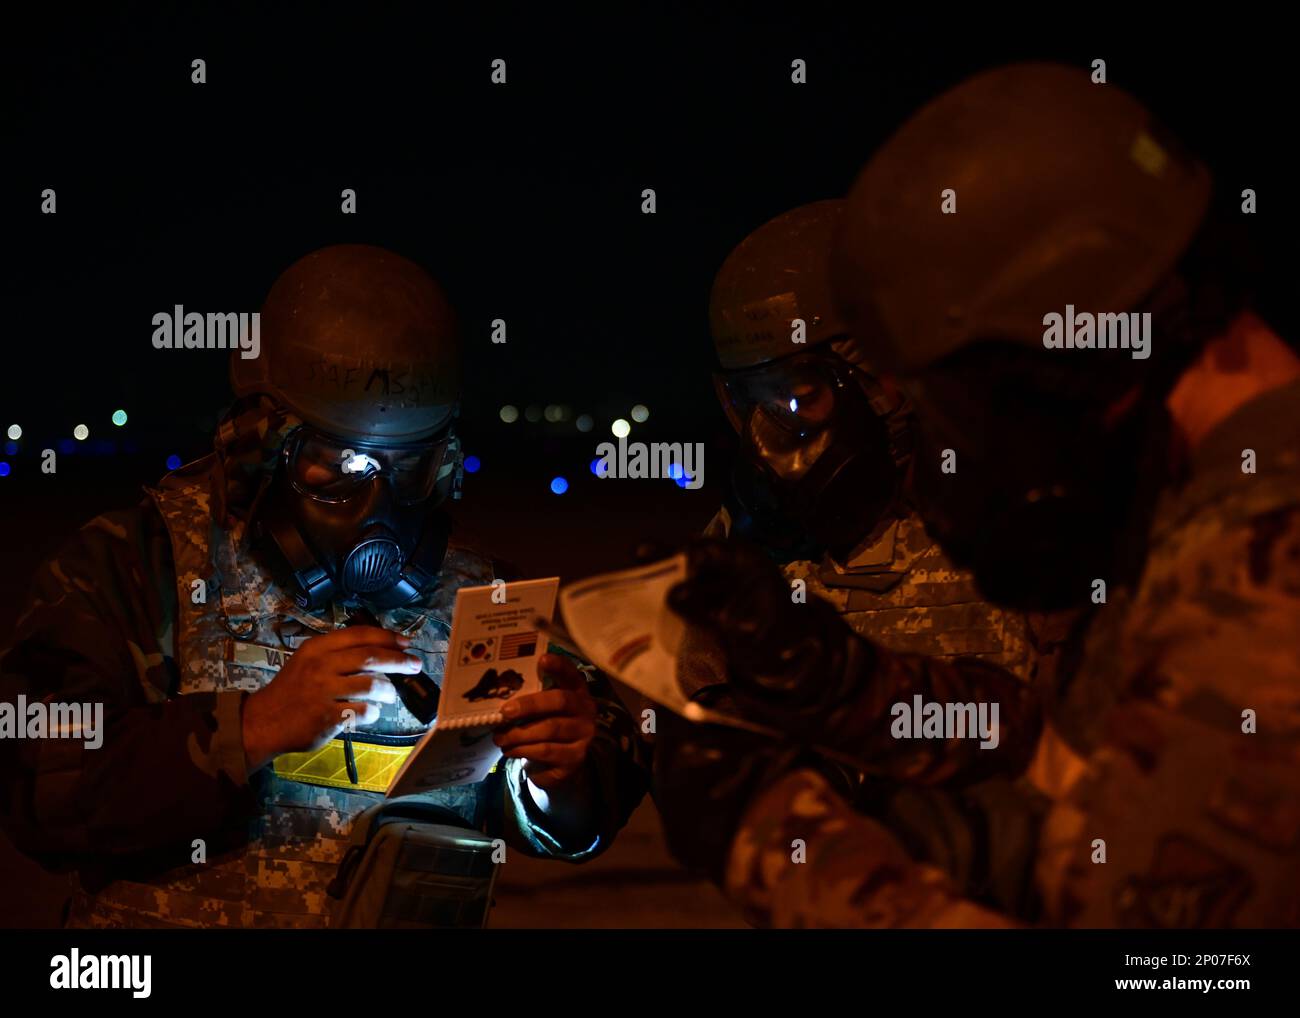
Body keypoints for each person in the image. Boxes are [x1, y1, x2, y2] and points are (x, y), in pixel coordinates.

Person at [657, 62, 1300, 927]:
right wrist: (846, 688)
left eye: (957, 399)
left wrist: (773, 843)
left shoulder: (1259, 577)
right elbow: (1077, 761)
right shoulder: (1205, 511)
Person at [0, 244, 646, 928]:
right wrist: (249, 730)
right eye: (341, 462)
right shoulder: (141, 561)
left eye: (409, 467)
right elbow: (38, 787)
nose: (378, 505)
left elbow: (601, 788)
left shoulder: (480, 600)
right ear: (262, 445)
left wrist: (560, 776)